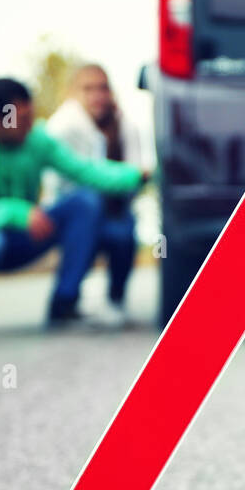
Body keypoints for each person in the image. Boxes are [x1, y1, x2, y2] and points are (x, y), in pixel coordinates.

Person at [0, 77, 148, 330]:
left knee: (84, 203)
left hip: (22, 237)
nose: (29, 126)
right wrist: (16, 212)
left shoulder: (36, 140)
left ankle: (64, 304)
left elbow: (85, 170)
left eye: (30, 117)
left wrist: (137, 175)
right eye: (21, 120)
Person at [43, 64, 146, 327]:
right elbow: (70, 179)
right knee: (86, 210)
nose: (97, 95)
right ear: (72, 93)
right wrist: (126, 178)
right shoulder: (63, 128)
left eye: (103, 88)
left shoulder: (125, 127)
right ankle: (65, 300)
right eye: (88, 89)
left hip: (112, 212)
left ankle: (115, 299)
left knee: (125, 228)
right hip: (73, 215)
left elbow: (134, 179)